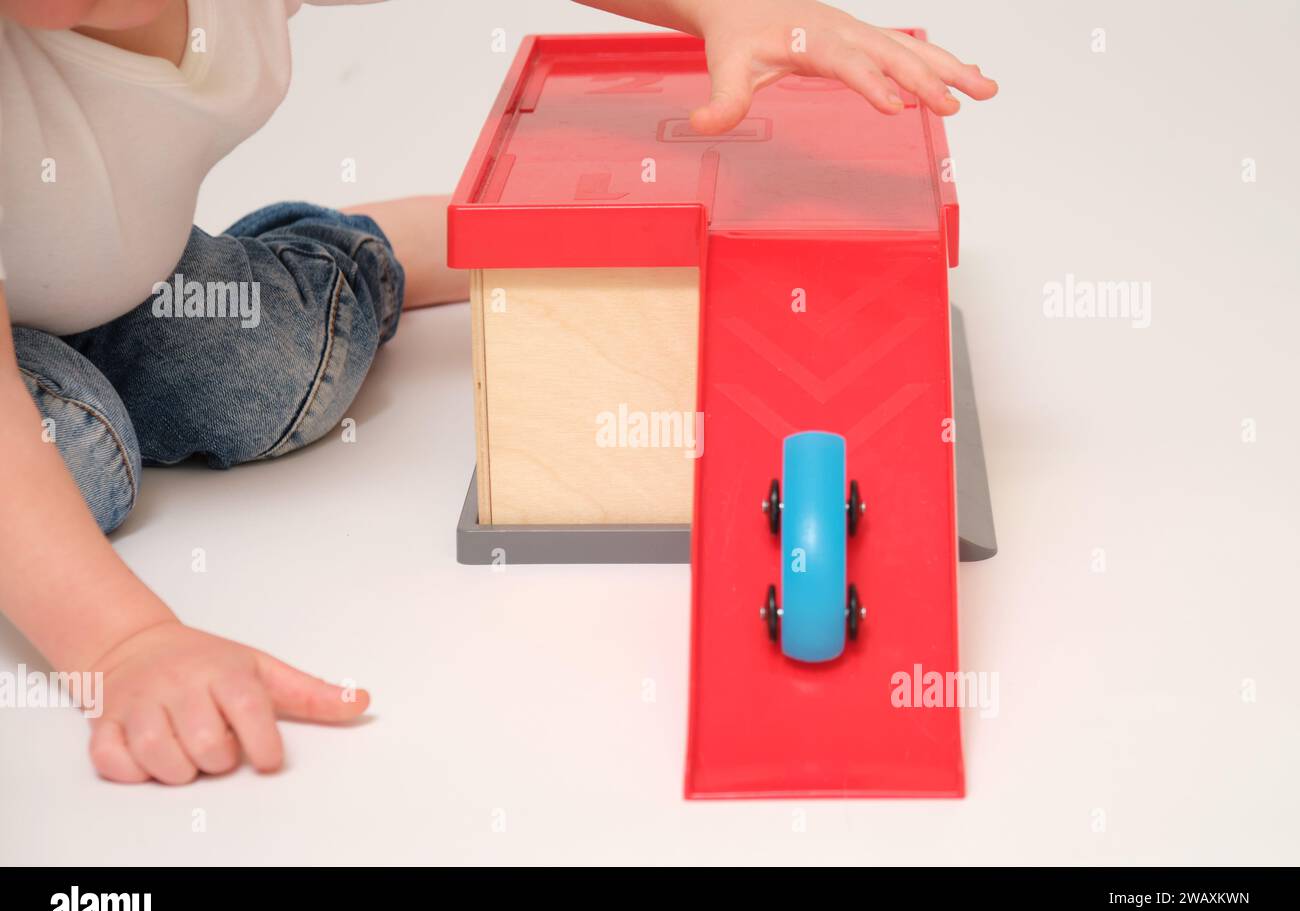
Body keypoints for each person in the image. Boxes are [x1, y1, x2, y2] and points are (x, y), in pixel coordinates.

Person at [0, 0, 997, 785]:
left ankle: (397, 247)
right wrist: (126, 640)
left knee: (271, 382)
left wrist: (727, 6)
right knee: (80, 458)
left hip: (114, 284)